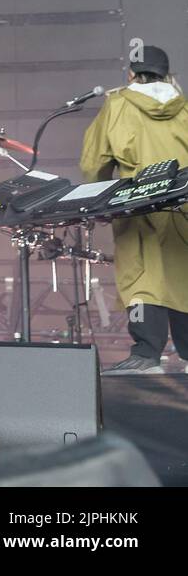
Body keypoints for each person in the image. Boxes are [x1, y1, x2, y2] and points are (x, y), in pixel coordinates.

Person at [80, 45, 188, 373]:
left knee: (143, 278)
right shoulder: (185, 108)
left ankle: (146, 354)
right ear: (169, 76)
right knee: (183, 277)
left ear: (130, 74)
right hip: (184, 210)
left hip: (140, 209)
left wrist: (98, 199)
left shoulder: (117, 104)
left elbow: (93, 162)